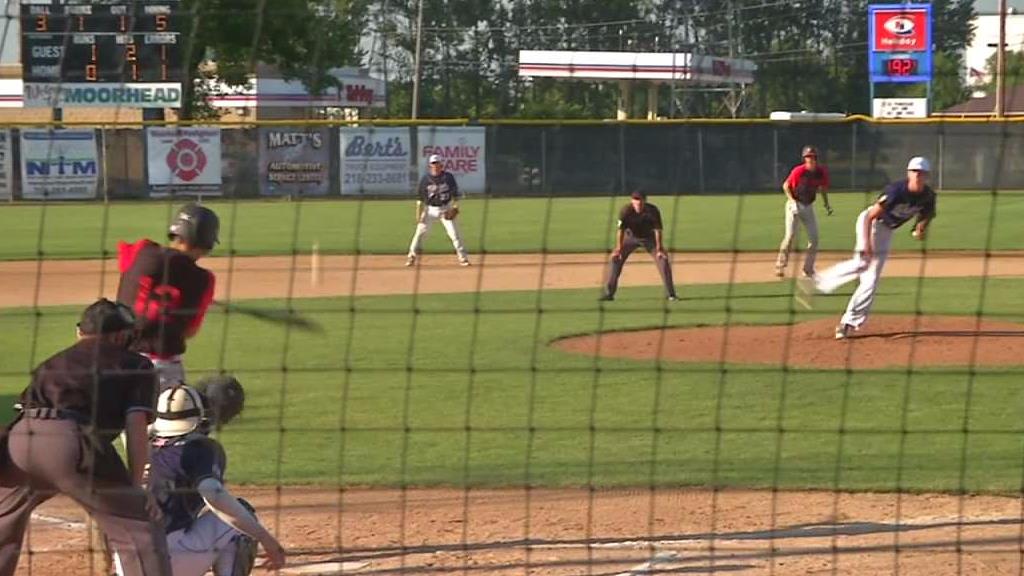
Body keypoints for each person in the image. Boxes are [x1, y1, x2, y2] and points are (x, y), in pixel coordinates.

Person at [0, 299, 170, 576]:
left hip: (21, 442)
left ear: (81, 331)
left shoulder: (52, 363)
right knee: (139, 528)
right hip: (69, 443)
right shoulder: (136, 364)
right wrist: (136, 486)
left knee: (4, 521)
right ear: (121, 335)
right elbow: (136, 425)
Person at [135, 383, 286, 575]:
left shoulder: (142, 448)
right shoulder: (201, 448)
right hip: (168, 564)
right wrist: (267, 540)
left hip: (128, 561)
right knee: (241, 514)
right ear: (199, 417)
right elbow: (213, 494)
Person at [806, 156, 936, 340]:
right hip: (871, 223)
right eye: (915, 172)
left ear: (927, 176)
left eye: (921, 173)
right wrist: (866, 243)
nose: (918, 176)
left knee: (871, 280)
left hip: (886, 232)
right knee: (862, 262)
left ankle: (848, 322)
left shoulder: (928, 196)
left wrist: (921, 227)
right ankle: (819, 280)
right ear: (908, 173)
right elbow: (870, 217)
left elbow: (926, 215)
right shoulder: (896, 191)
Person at [117, 203, 218, 390]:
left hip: (117, 360)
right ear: (206, 242)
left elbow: (126, 267)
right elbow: (189, 331)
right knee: (170, 417)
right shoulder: (204, 280)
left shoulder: (141, 250)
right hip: (162, 369)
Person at [600, 190, 679, 302]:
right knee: (615, 260)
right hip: (630, 237)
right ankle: (609, 294)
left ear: (645, 201)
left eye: (640, 201)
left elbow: (658, 230)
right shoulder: (625, 211)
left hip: (648, 238)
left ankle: (671, 294)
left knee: (663, 261)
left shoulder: (652, 210)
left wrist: (659, 248)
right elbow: (620, 230)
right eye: (635, 200)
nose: (638, 204)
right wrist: (618, 248)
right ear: (632, 201)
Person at [775, 145, 833, 278]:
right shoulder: (799, 171)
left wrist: (826, 204)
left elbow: (823, 188)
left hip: (808, 207)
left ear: (816, 158)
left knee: (814, 239)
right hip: (794, 206)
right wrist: (792, 201)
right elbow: (786, 186)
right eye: (807, 157)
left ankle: (808, 269)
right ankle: (780, 265)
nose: (810, 159)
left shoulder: (821, 172)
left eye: (812, 157)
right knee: (790, 236)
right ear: (804, 159)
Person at [405, 154, 470, 267]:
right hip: (430, 210)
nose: (435, 166)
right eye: (433, 164)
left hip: (446, 208)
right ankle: (411, 257)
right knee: (420, 234)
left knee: (455, 234)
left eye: (437, 163)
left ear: (441, 165)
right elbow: (420, 199)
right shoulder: (425, 179)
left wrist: (455, 208)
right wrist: (419, 214)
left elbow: (456, 195)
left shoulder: (448, 177)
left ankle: (462, 258)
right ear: (430, 165)